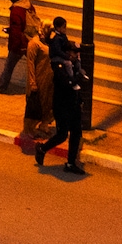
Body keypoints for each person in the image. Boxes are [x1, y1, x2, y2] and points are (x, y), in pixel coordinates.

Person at [35, 17, 87, 174]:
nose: (76, 56)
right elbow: (67, 83)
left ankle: (70, 163)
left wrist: (80, 99)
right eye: (74, 53)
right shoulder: (59, 66)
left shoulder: (73, 65)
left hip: (73, 104)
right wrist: (78, 78)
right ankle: (42, 149)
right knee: (62, 134)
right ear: (67, 52)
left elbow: (76, 85)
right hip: (62, 105)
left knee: (76, 132)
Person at [0, 0, 39, 91]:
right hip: (32, 40)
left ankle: (1, 87)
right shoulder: (28, 5)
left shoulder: (16, 10)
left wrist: (13, 47)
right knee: (35, 66)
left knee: (9, 66)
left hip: (20, 44)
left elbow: (16, 31)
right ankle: (39, 87)